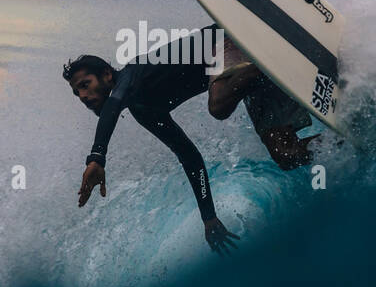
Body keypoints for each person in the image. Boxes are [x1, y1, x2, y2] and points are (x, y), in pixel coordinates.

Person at [64, 27, 320, 253]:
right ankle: (342, 144)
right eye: (76, 93)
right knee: (286, 154)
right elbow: (189, 156)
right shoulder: (145, 111)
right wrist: (208, 217)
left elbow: (114, 104)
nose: (82, 96)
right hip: (247, 80)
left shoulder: (130, 76)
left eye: (85, 85)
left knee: (218, 106)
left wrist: (97, 157)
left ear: (107, 75)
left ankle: (276, 60)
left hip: (229, 41)